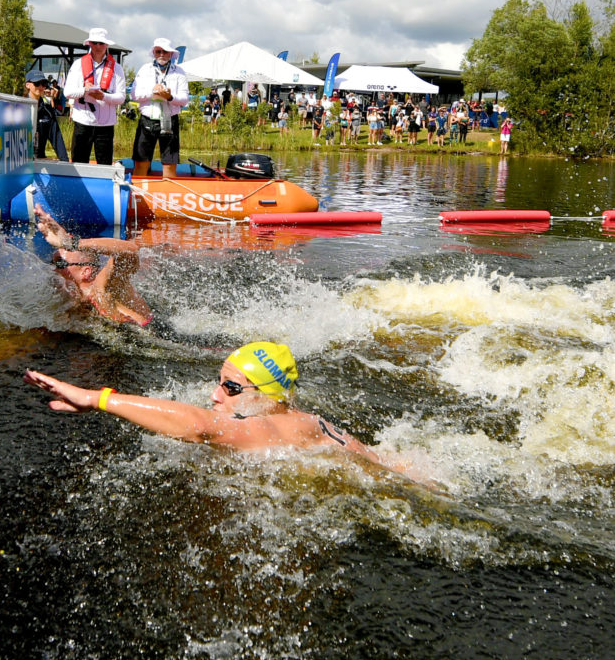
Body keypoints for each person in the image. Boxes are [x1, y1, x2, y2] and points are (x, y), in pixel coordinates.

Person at [23, 341, 439, 487]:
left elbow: (202, 427)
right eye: (219, 380)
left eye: (232, 387)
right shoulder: (308, 421)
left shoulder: (273, 424)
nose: (215, 394)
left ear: (268, 394)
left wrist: (96, 398)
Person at [30, 202, 152, 327]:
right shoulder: (74, 299)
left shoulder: (102, 288)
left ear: (86, 272)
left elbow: (130, 251)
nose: (53, 269)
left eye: (60, 263)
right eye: (53, 263)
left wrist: (71, 243)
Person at [63, 28, 125, 164]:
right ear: (89, 44)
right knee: (79, 161)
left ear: (107, 45)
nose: (98, 46)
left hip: (106, 124)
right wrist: (84, 90)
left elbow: (121, 97)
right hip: (83, 121)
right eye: (94, 43)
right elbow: (67, 92)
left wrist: (103, 96)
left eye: (101, 43)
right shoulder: (78, 64)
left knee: (105, 163)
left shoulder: (116, 68)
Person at [131, 37, 190, 179]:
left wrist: (170, 97)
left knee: (169, 164)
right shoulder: (145, 69)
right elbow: (134, 95)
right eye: (158, 51)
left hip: (169, 120)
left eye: (165, 51)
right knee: (141, 162)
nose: (161, 54)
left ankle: (168, 195)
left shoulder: (179, 72)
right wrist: (153, 92)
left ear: (171, 54)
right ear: (154, 53)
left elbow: (184, 99)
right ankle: (137, 194)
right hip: (147, 120)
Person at [27, 74, 70, 160]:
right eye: (37, 83)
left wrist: (65, 162)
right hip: (20, 162)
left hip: (39, 161)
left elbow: (57, 138)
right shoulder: (18, 108)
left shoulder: (48, 111)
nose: (40, 87)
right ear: (27, 85)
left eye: (43, 84)